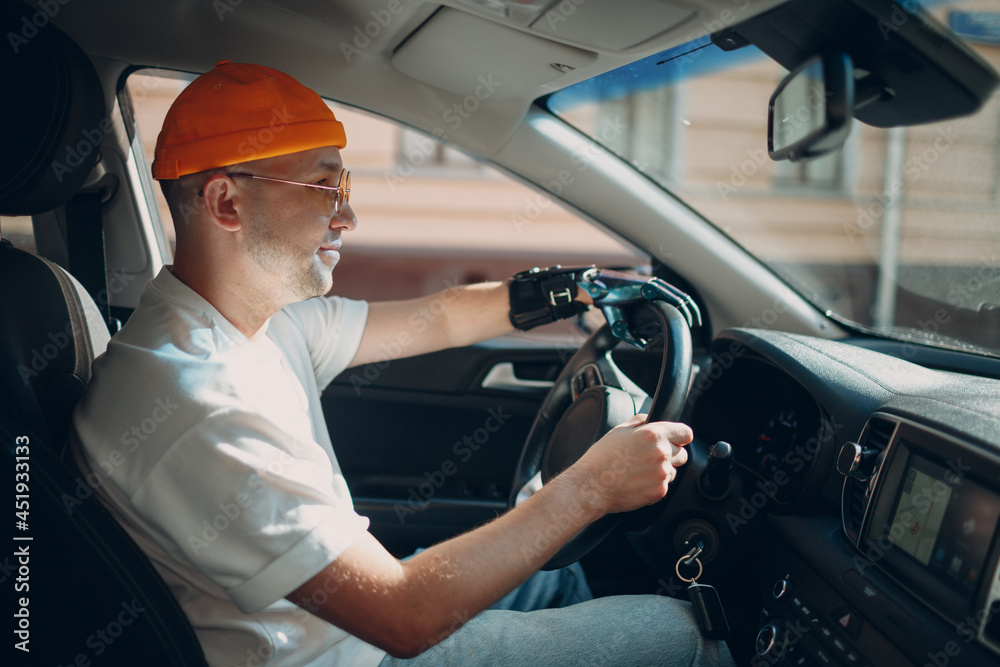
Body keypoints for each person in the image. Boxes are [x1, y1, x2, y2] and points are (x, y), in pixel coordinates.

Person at [71, 60, 734, 667]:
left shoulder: (255, 323)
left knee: (556, 574)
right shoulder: (198, 398)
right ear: (226, 203)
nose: (348, 215)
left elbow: (442, 315)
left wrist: (578, 286)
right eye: (324, 187)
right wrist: (591, 486)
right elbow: (404, 615)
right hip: (352, 658)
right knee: (684, 636)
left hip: (348, 636)